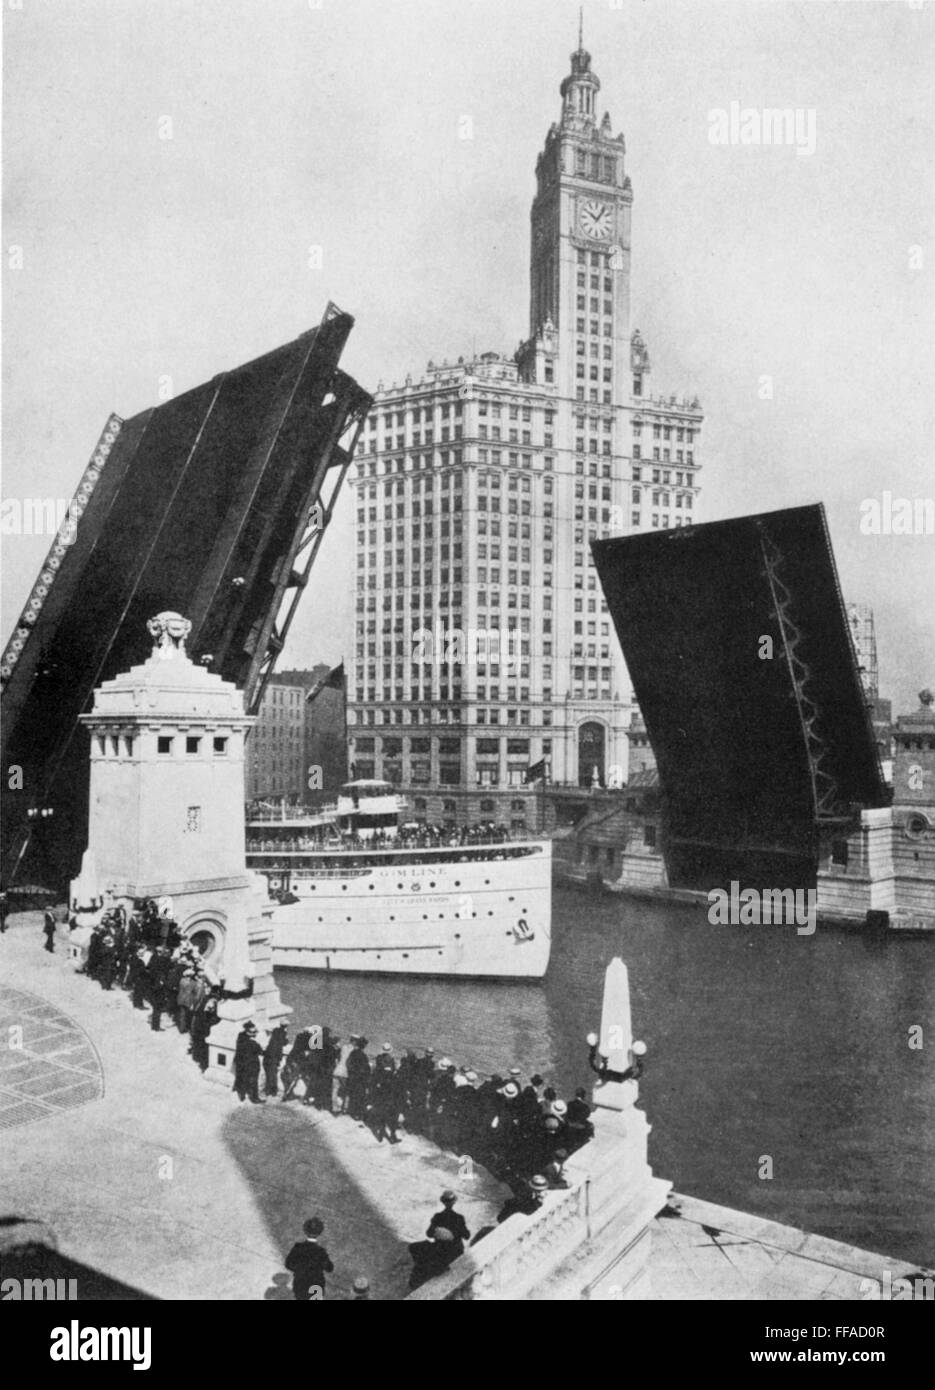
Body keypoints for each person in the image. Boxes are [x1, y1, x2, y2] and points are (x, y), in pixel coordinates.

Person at [284, 1217, 334, 1301]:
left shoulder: (298, 1248)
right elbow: (330, 1268)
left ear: (305, 1231)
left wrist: (300, 1269)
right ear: (319, 1233)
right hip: (317, 1284)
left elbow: (288, 1264)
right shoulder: (321, 1251)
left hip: (300, 1284)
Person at [407, 1226, 457, 1292]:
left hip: (417, 1281)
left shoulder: (426, 1246)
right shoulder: (445, 1254)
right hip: (426, 1285)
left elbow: (411, 1247)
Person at [426, 1191, 470, 1258]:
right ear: (454, 1202)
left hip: (441, 1251)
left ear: (443, 1202)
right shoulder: (459, 1218)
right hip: (456, 1252)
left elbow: (429, 1233)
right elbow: (467, 1236)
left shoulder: (437, 1216)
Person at [232, 1021, 265, 1104]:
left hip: (241, 1063)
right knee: (253, 1081)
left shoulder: (240, 1036)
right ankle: (254, 1098)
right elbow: (261, 1052)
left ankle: (241, 1095)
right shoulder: (253, 1043)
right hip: (251, 1065)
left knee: (241, 1078)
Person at [263, 1021, 289, 1098]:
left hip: (268, 1054)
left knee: (268, 1074)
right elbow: (284, 1043)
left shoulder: (275, 1031)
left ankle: (267, 1091)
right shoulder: (283, 1033)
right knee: (274, 1074)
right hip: (275, 1056)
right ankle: (273, 1091)